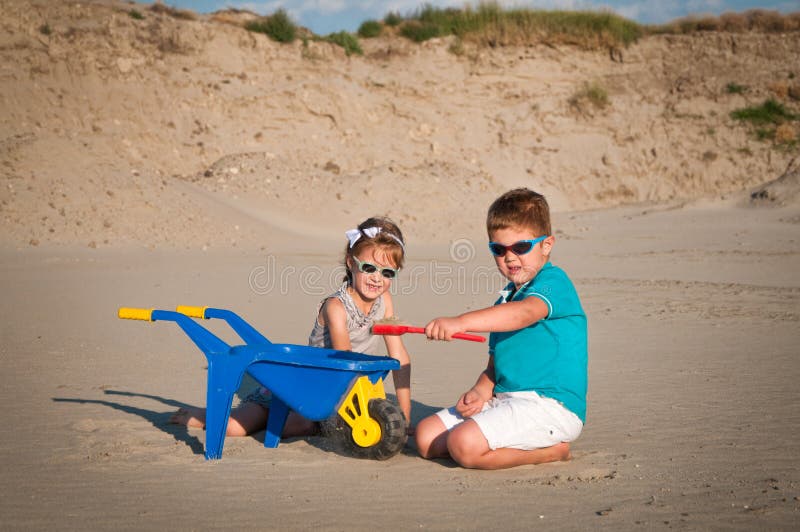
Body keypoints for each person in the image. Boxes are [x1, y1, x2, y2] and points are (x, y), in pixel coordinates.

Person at [170, 216, 413, 437]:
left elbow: (398, 354)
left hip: (343, 394)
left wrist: (404, 415)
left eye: (387, 272)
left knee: (311, 425)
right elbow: (345, 362)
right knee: (241, 428)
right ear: (351, 262)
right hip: (301, 388)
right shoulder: (336, 307)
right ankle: (201, 414)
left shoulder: (385, 302)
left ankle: (312, 421)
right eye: (368, 268)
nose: (376, 278)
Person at [415, 188, 587, 469]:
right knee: (426, 439)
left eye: (521, 247)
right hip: (506, 401)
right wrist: (480, 391)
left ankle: (551, 452)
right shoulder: (504, 301)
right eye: (499, 249)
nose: (509, 257)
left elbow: (524, 314)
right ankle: (491, 434)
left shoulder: (553, 283)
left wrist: (460, 322)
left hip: (550, 407)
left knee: (463, 445)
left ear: (546, 245)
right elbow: (495, 366)